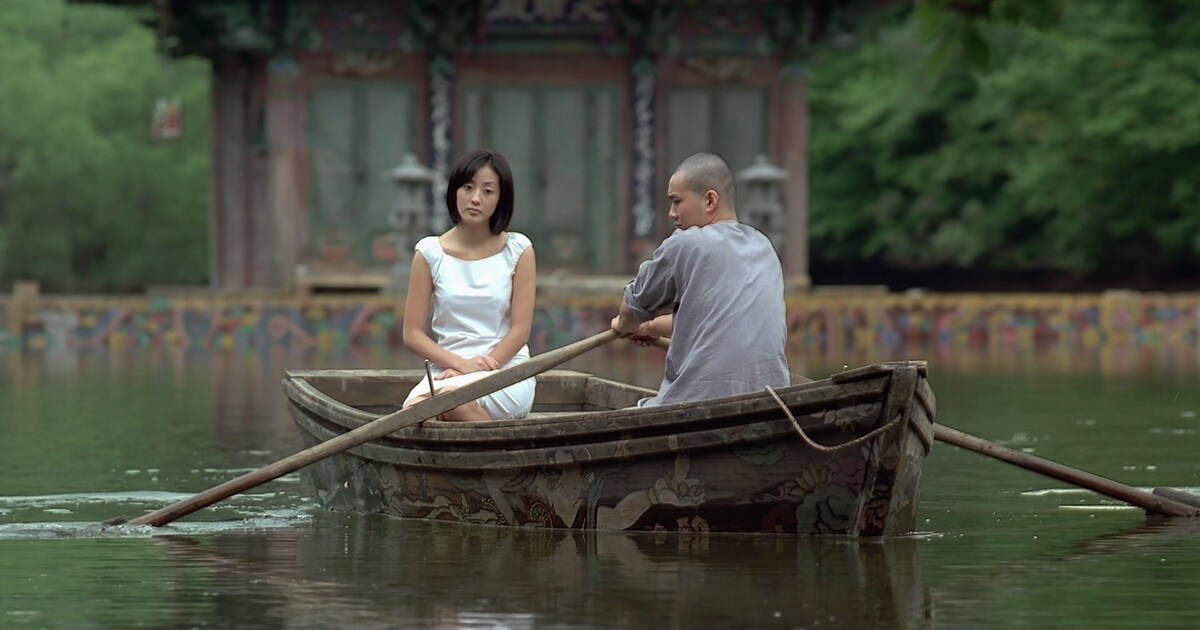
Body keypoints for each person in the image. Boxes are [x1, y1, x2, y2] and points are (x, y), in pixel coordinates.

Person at [611, 152, 789, 406]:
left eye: (677, 201)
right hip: (773, 402)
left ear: (710, 200)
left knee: (639, 411)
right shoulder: (764, 247)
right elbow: (712, 318)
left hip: (698, 402)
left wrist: (626, 325)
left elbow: (630, 309)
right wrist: (648, 329)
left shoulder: (685, 243)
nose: (672, 213)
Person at [401, 149, 537, 421]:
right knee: (416, 414)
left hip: (504, 370)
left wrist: (482, 368)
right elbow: (412, 333)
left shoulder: (518, 250)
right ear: (454, 191)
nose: (476, 199)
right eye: (468, 187)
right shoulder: (429, 253)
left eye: (488, 191)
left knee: (452, 406)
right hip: (450, 370)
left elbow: (521, 331)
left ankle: (497, 457)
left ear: (501, 199)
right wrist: (461, 365)